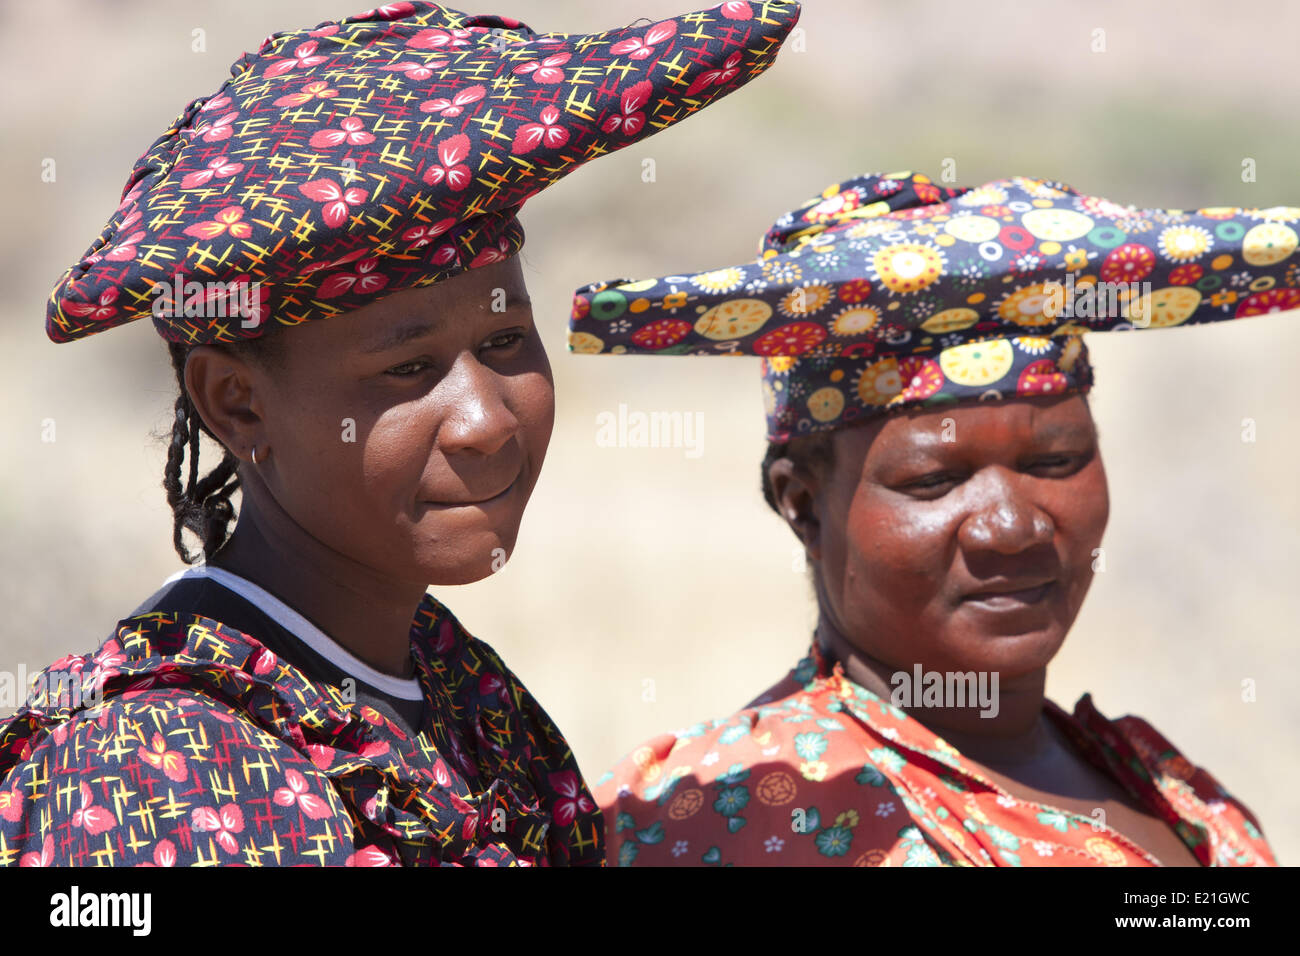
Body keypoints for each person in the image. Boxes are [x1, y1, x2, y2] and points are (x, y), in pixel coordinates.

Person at [0, 0, 802, 867]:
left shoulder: (461, 703)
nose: (487, 420)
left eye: (504, 343)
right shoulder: (163, 777)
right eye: (407, 370)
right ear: (238, 405)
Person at [570, 171, 1294, 866]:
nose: (1012, 526)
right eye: (935, 480)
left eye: (1056, 462)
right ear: (804, 506)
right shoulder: (730, 815)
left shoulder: (1170, 792)